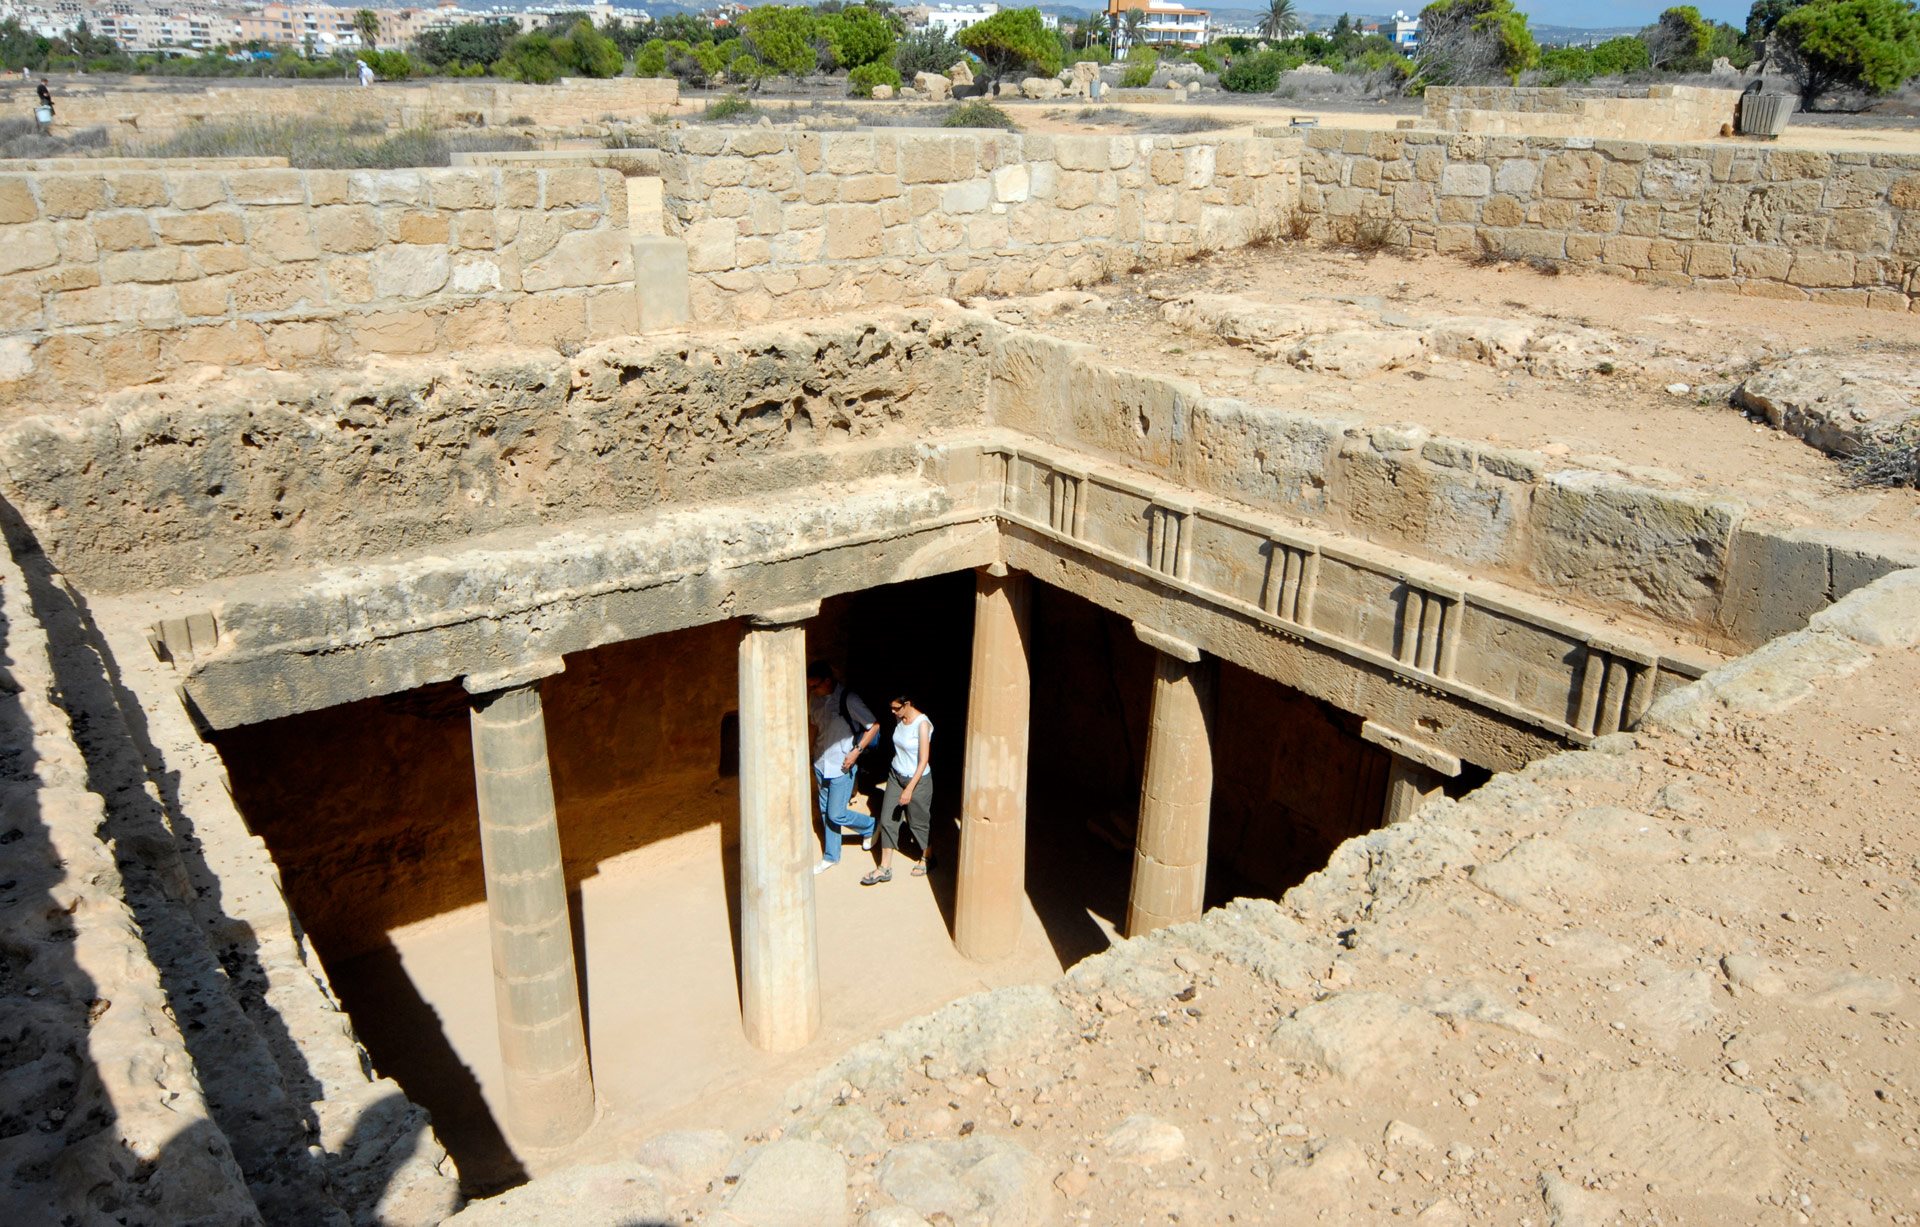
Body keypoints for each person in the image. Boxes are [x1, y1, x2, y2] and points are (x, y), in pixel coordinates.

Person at [806, 661, 878, 875]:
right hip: (821, 762)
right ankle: (831, 856)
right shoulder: (815, 699)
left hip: (842, 765)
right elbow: (814, 725)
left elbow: (873, 726)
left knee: (836, 814)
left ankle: (871, 825)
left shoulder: (849, 699)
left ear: (827, 681)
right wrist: (809, 753)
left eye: (815, 686)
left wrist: (856, 752)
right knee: (826, 811)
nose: (811, 690)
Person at [862, 694, 932, 886]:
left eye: (896, 708)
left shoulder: (922, 724)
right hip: (896, 775)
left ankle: (927, 855)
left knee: (917, 822)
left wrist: (909, 789)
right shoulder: (899, 718)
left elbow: (923, 760)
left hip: (917, 780)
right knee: (887, 820)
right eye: (891, 708)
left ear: (907, 704)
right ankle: (884, 867)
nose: (893, 712)